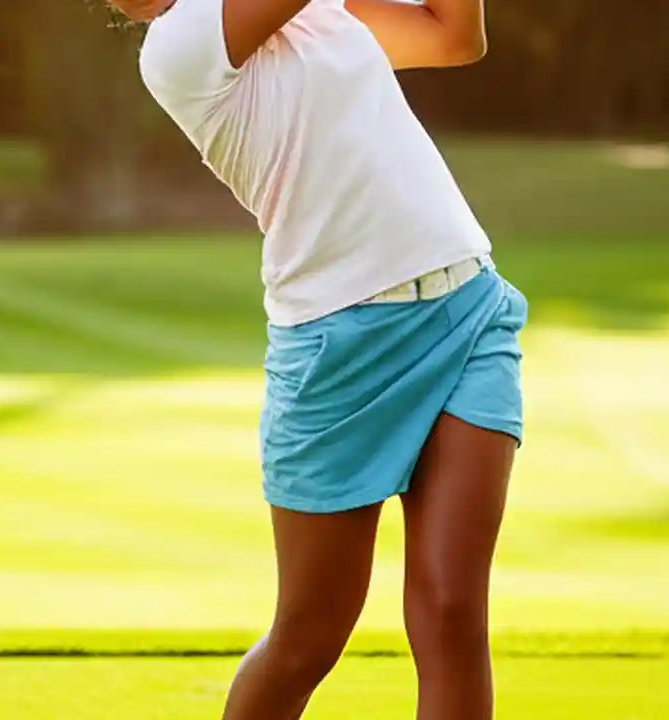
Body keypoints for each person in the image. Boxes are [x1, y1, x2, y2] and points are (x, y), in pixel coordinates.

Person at [107, 0, 529, 718]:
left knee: (453, 612)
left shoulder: (321, 15)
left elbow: (456, 38)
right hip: (340, 354)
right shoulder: (176, 48)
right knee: (309, 636)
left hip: (466, 311)